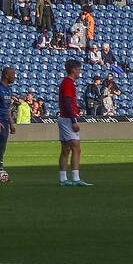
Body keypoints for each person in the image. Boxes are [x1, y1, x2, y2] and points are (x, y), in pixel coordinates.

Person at [57, 58, 91, 186]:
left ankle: (63, 179)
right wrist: (73, 120)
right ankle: (75, 178)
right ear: (73, 70)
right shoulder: (68, 83)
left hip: (64, 118)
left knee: (65, 149)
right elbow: (67, 102)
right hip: (67, 119)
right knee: (76, 148)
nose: (79, 72)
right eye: (78, 69)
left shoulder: (67, 83)